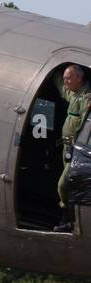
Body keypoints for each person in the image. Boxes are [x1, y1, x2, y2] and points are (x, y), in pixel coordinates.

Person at [55, 63, 90, 232]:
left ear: (79, 78)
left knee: (64, 184)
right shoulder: (75, 94)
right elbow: (64, 91)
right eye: (64, 78)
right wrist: (53, 75)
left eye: (68, 78)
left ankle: (69, 219)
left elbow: (86, 124)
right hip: (67, 148)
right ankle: (67, 219)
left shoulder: (86, 99)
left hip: (77, 151)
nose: (65, 81)